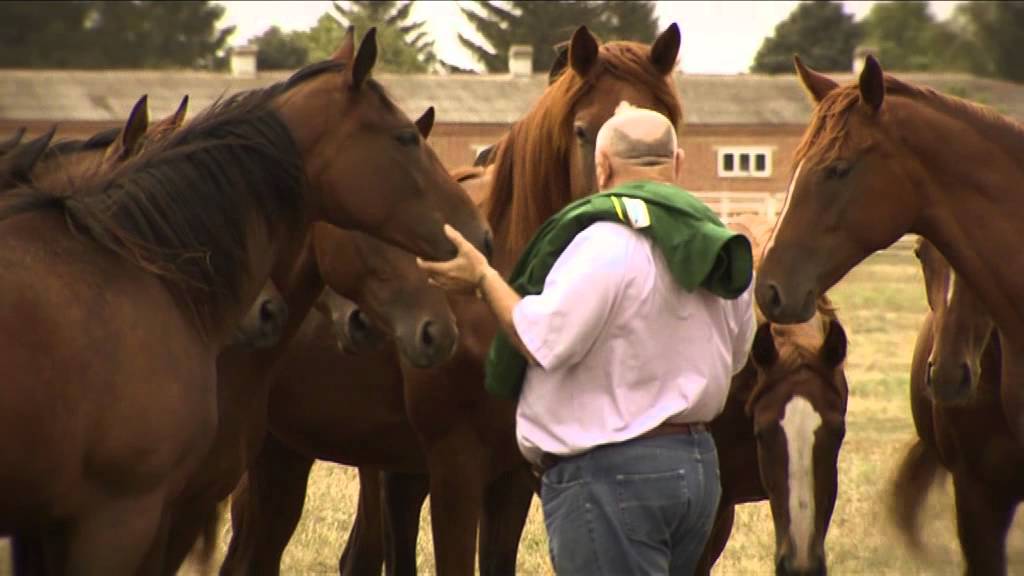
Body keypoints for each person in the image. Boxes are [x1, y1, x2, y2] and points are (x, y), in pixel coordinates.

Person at [417, 102, 755, 575]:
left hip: (612, 478)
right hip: (696, 470)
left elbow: (541, 339)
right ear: (677, 164)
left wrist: (482, 277)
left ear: (602, 166)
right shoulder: (719, 246)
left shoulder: (604, 244)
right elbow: (736, 355)